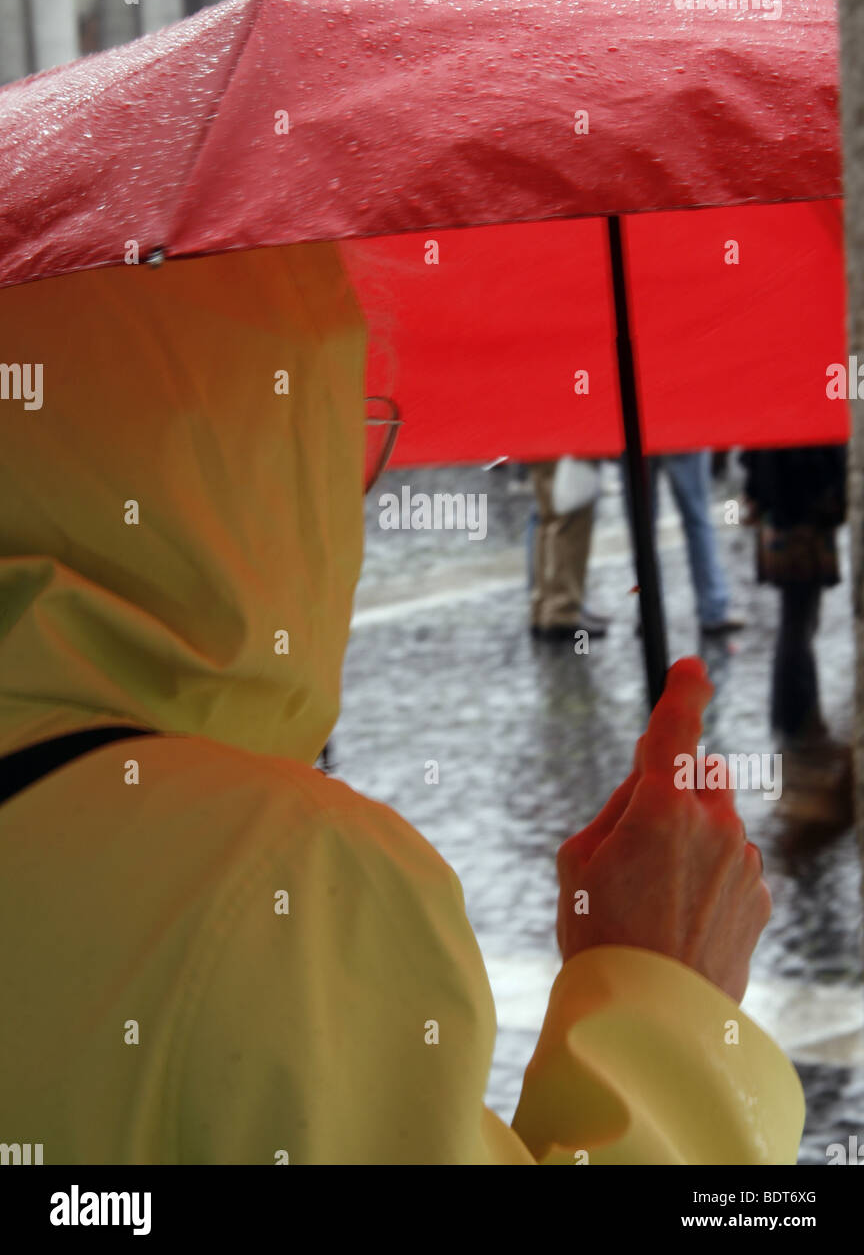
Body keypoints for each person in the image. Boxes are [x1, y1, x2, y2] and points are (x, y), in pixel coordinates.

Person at [0, 242, 802, 1163]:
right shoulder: (277, 885)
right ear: (260, 459)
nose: (361, 475)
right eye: (345, 423)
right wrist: (667, 991)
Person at [741, 444, 851, 819]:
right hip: (801, 519)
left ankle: (796, 714)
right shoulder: (803, 420)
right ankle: (797, 718)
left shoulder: (771, 414)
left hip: (783, 518)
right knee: (798, 624)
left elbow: (753, 463)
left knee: (798, 621)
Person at [627, 450, 744, 637]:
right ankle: (712, 609)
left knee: (642, 527)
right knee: (697, 519)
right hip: (679, 434)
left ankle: (647, 610)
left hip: (637, 440)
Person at [528, 458, 608, 640]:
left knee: (548, 518)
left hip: (542, 442)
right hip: (567, 443)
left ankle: (545, 606)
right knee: (569, 521)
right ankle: (562, 610)